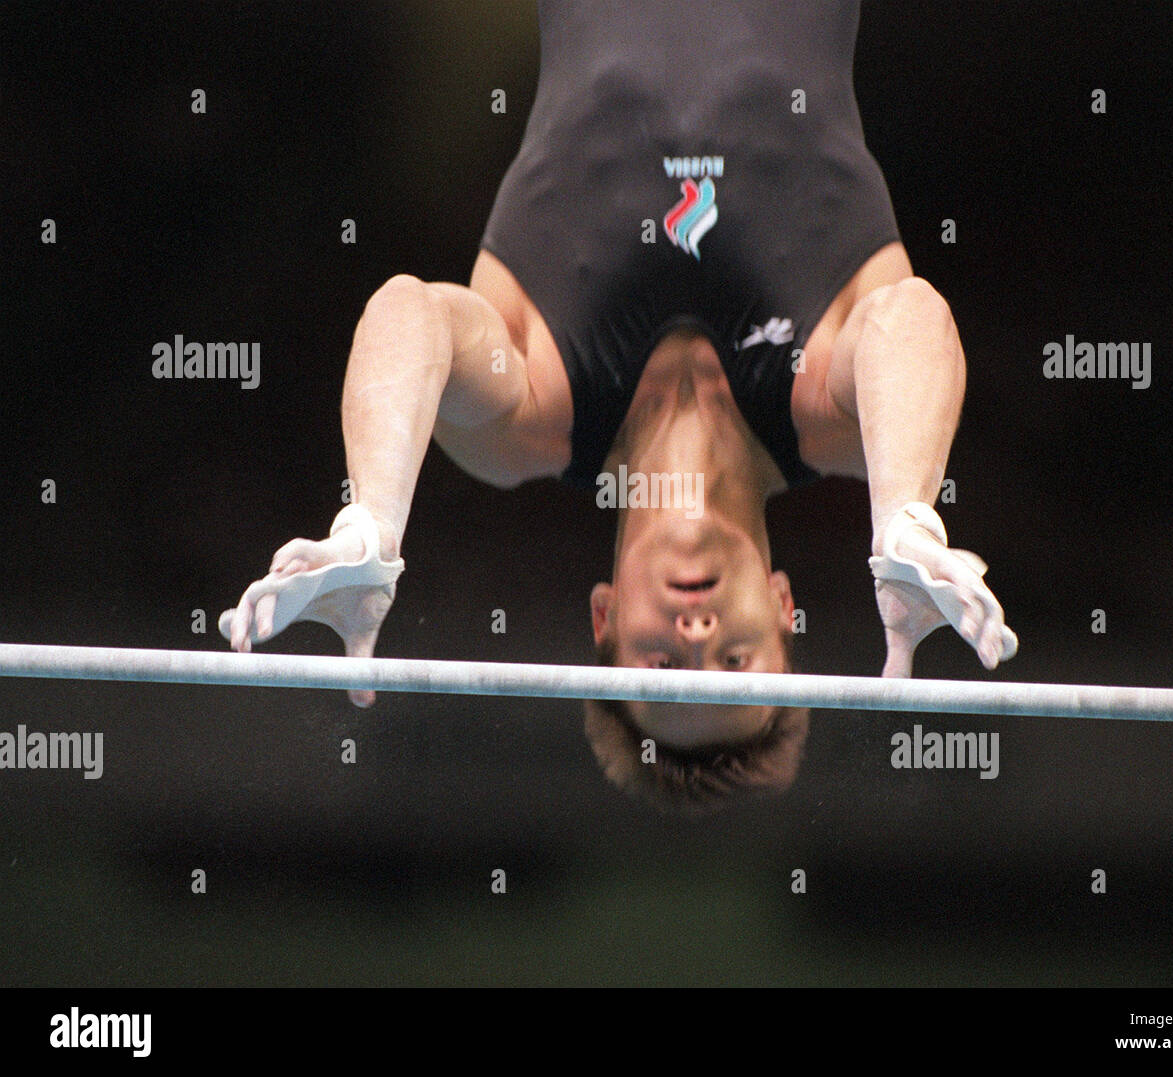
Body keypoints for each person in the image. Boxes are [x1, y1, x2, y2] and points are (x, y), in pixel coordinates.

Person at [221, 0, 1016, 812]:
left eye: (661, 668)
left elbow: (408, 313)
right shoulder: (833, 412)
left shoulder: (530, 412)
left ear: (603, 617)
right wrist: (907, 517)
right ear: (784, 609)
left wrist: (373, 524)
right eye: (736, 663)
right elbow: (910, 318)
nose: (696, 638)